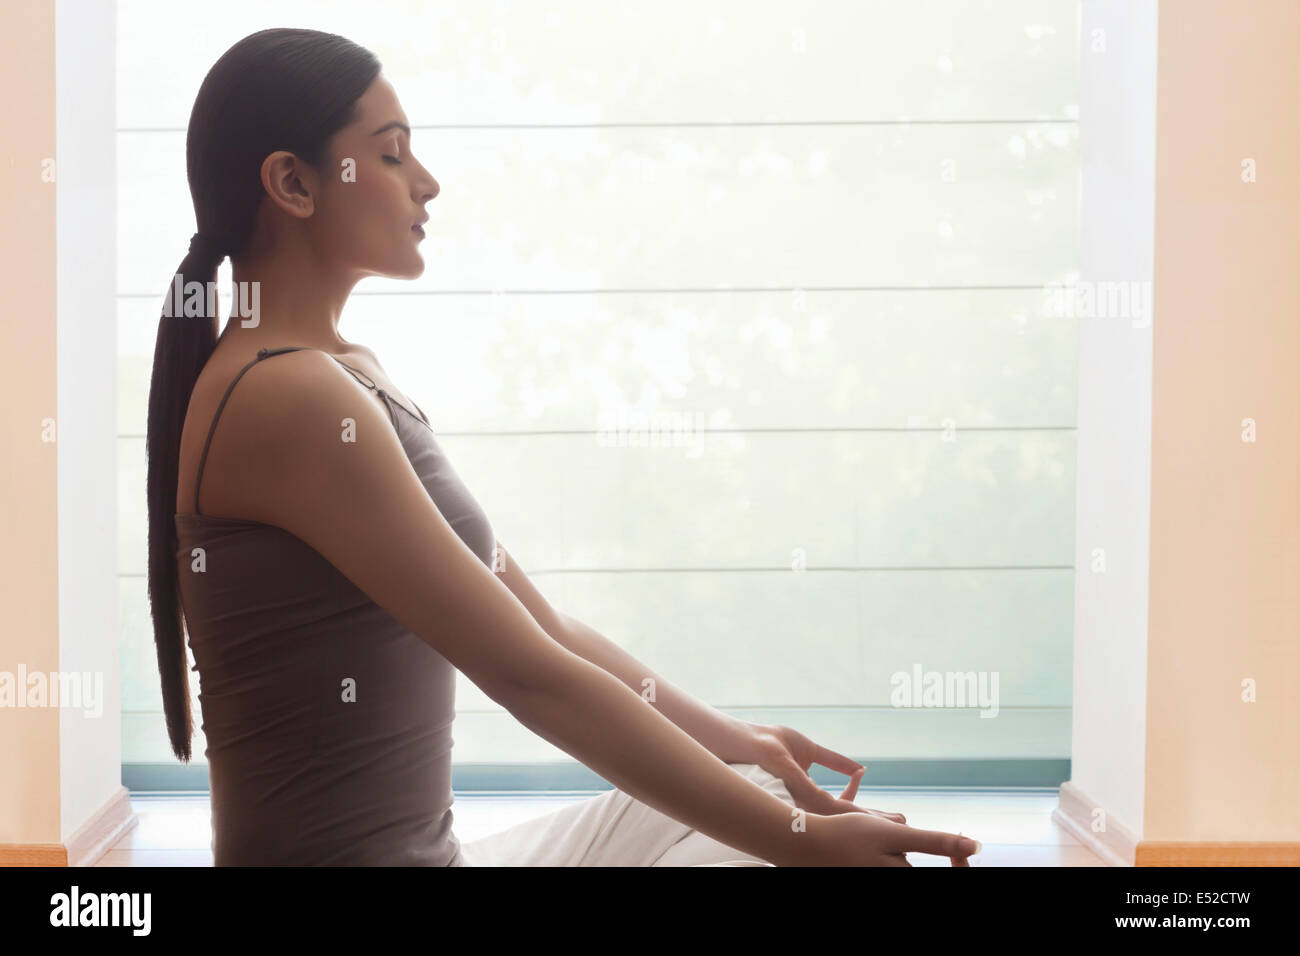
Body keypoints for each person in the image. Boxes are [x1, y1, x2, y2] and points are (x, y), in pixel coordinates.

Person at [146, 27, 982, 867]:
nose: (427, 184)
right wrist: (804, 846)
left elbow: (545, 632)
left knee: (754, 781)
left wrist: (744, 740)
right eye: (392, 155)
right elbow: (528, 678)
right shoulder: (286, 396)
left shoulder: (346, 374)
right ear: (293, 182)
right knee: (784, 841)